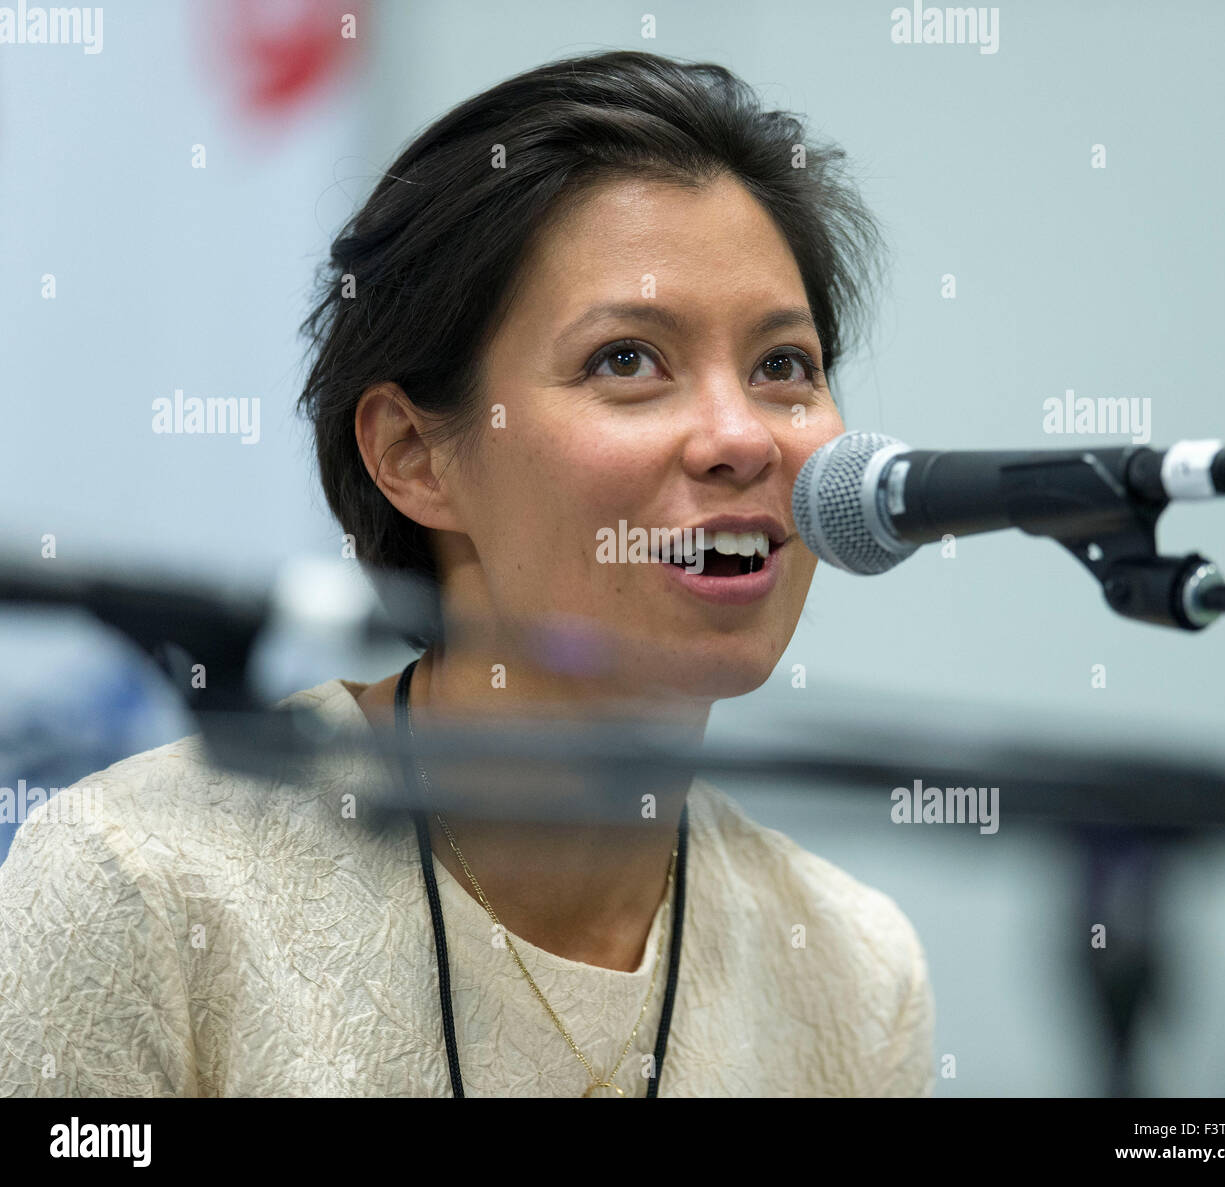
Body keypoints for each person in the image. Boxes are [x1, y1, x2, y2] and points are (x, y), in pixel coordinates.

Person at [0, 49, 934, 1097]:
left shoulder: (855, 970)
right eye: (627, 358)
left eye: (782, 367)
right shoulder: (140, 885)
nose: (740, 438)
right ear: (413, 452)